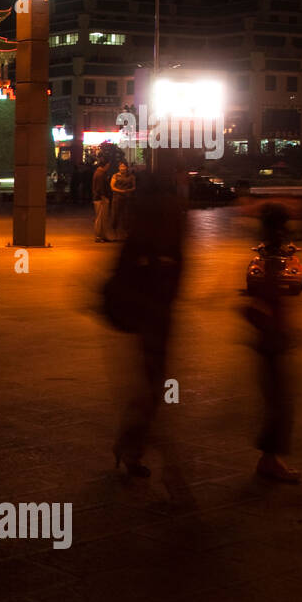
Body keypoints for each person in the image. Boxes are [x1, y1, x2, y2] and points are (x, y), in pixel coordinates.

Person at [106, 163, 186, 477]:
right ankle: (132, 446)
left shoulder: (145, 217)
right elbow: (173, 262)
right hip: (155, 308)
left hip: (146, 308)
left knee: (150, 379)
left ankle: (134, 443)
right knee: (153, 381)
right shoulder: (166, 214)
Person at [244, 204, 299, 483]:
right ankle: (269, 461)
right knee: (280, 403)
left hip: (272, 338)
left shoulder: (273, 254)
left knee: (279, 402)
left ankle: (269, 459)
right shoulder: (269, 259)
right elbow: (256, 305)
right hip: (270, 342)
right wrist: (273, 330)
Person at [109, 161, 136, 240]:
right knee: (115, 215)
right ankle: (114, 232)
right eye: (121, 166)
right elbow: (112, 187)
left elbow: (134, 187)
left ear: (127, 167)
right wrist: (121, 191)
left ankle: (126, 233)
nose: (122, 168)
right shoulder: (115, 176)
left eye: (124, 166)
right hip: (117, 198)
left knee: (126, 216)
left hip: (127, 198)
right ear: (118, 168)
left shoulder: (131, 176)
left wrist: (128, 190)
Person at [92, 159, 114, 241]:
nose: (108, 167)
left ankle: (102, 236)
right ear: (105, 165)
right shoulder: (100, 174)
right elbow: (100, 188)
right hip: (101, 199)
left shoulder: (99, 173)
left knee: (102, 218)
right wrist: (104, 197)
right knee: (100, 218)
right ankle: (99, 236)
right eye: (108, 165)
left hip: (100, 198)